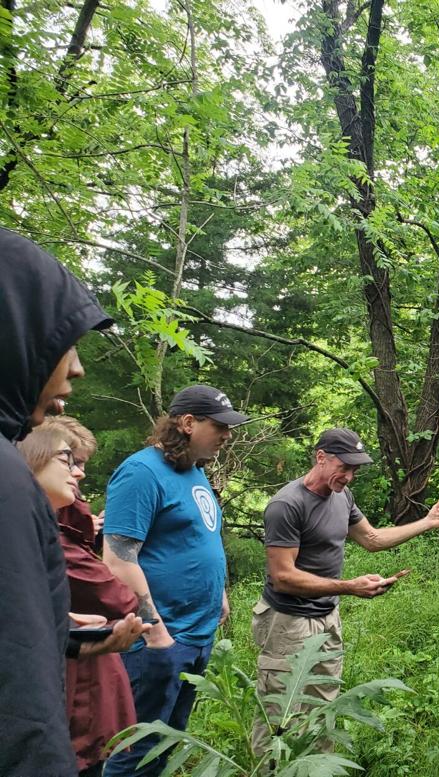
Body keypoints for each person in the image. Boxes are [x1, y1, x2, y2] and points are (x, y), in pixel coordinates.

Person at [0, 228, 149, 776]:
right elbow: (18, 702)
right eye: (64, 341)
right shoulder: (8, 478)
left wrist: (60, 636)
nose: (79, 367)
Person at [251, 427, 439, 751]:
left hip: (328, 619)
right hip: (287, 623)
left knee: (323, 710)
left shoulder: (342, 497)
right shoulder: (287, 505)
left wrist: (427, 522)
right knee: (280, 713)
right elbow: (283, 577)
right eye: (344, 467)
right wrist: (348, 587)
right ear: (320, 458)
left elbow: (371, 539)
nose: (349, 476)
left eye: (354, 470)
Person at [103, 384, 249, 777]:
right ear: (187, 422)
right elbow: (118, 559)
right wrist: (155, 631)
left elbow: (199, 537)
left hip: (197, 635)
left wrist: (218, 592)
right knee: (136, 750)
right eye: (220, 426)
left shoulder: (194, 473)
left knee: (169, 742)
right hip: (159, 641)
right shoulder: (141, 472)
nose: (227, 435)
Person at [39, 417, 140, 777]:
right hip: (69, 689)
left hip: (84, 678)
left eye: (80, 463)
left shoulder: (63, 524)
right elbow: (109, 594)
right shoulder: (48, 532)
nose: (79, 474)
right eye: (69, 462)